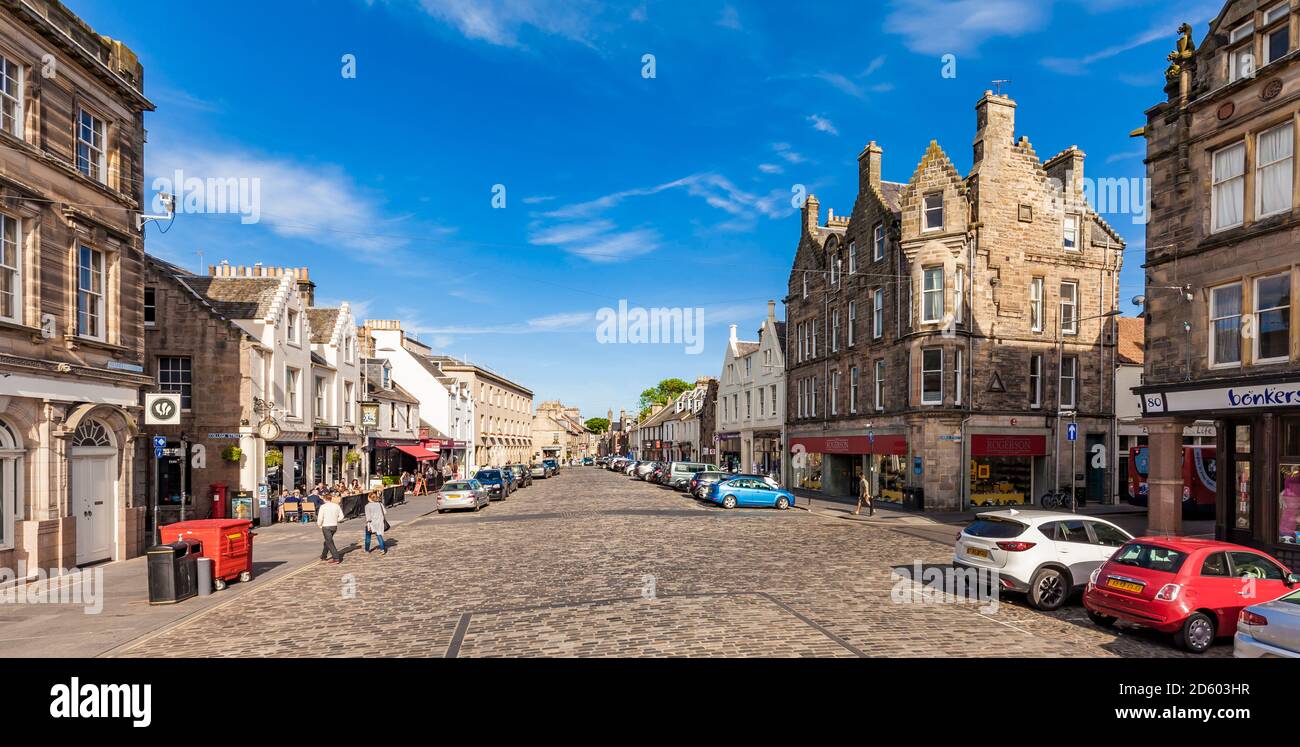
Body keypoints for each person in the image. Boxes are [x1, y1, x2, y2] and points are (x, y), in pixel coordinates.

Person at [317, 493, 345, 564]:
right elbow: (342, 516)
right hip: (334, 526)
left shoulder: (323, 507)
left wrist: (319, 524)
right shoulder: (336, 506)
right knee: (327, 541)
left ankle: (336, 558)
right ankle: (323, 556)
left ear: (324, 499)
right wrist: (336, 520)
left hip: (326, 526)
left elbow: (320, 518)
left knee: (329, 542)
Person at [364, 492, 389, 556]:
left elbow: (368, 517)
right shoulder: (380, 504)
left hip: (371, 523)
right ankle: (382, 549)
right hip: (379, 522)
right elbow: (385, 512)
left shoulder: (367, 506)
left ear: (369, 498)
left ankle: (367, 549)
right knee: (379, 535)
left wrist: (368, 525)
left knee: (368, 536)